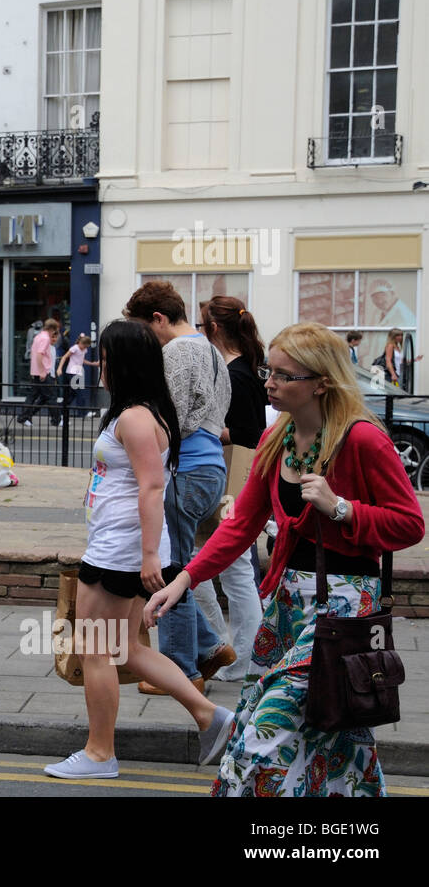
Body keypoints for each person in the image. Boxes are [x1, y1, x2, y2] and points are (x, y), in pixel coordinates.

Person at [145, 323, 424, 795]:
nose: (268, 382)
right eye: (266, 370)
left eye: (282, 374)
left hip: (344, 604)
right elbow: (240, 526)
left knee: (261, 733)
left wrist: (342, 508)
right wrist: (186, 578)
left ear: (322, 382)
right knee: (333, 730)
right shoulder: (278, 440)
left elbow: (410, 523)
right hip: (291, 603)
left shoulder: (362, 440)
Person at [44, 320, 234, 779]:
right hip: (124, 545)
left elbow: (151, 487)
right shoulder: (145, 412)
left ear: (124, 364)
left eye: (106, 360)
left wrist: (151, 556)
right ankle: (211, 717)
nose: (100, 367)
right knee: (125, 648)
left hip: (120, 550)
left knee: (94, 648)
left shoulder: (134, 417)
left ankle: (99, 753)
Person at [123, 282, 234, 697]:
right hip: (208, 469)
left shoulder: (176, 352)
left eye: (144, 329)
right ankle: (211, 647)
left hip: (185, 470)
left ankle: (180, 670)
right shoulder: (209, 350)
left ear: (158, 319)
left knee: (170, 573)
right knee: (179, 565)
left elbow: (171, 420)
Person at [193, 296, 267, 681]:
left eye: (202, 326)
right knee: (232, 569)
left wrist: (205, 428)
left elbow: (247, 431)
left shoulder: (235, 373)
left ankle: (235, 656)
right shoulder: (247, 368)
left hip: (229, 474)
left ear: (215, 329)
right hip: (238, 476)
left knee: (229, 568)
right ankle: (238, 655)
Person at [19, 318, 61, 426]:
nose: (54, 333)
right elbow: (39, 355)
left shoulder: (38, 337)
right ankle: (57, 420)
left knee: (32, 396)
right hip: (43, 373)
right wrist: (43, 371)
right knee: (51, 396)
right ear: (51, 328)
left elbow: (35, 354)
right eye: (54, 330)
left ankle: (23, 418)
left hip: (35, 372)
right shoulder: (45, 338)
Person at [57, 333, 100, 418]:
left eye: (86, 347)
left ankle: (61, 411)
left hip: (78, 372)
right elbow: (64, 357)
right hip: (72, 372)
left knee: (72, 395)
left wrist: (92, 364)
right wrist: (59, 368)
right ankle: (83, 413)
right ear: (81, 343)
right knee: (79, 393)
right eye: (84, 346)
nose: (84, 348)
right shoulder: (74, 348)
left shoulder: (83, 350)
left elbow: (81, 360)